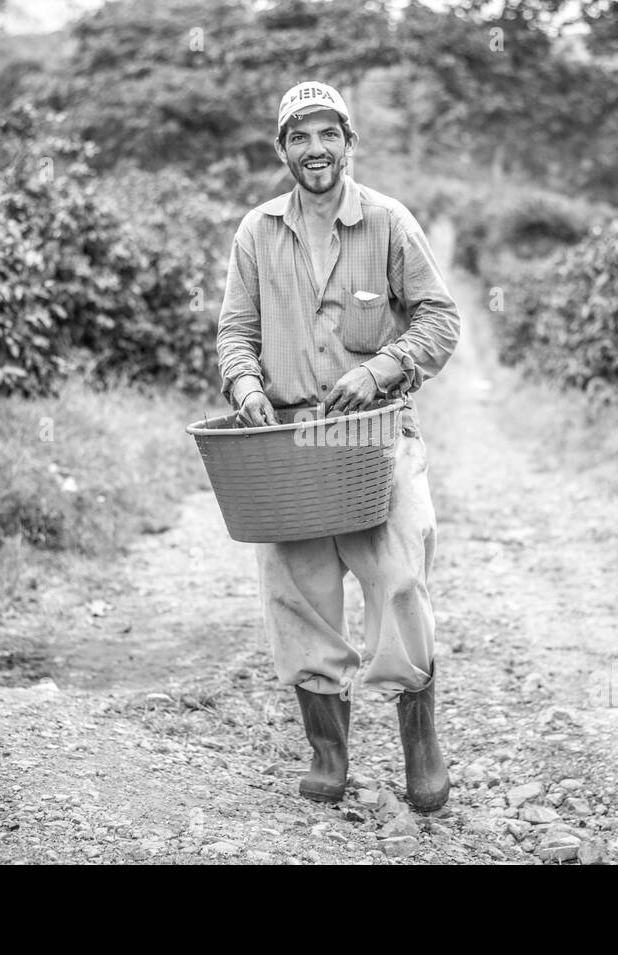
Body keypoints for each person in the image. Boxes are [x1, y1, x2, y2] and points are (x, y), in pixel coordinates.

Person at [215, 81, 461, 813]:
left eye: (328, 134)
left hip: (375, 434)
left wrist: (382, 368)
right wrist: (246, 386)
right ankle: (328, 749)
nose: (314, 148)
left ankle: (420, 739)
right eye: (299, 136)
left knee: (399, 575)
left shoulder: (387, 222)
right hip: (287, 438)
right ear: (283, 149)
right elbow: (235, 332)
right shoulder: (256, 231)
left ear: (350, 143)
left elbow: (440, 321)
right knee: (297, 594)